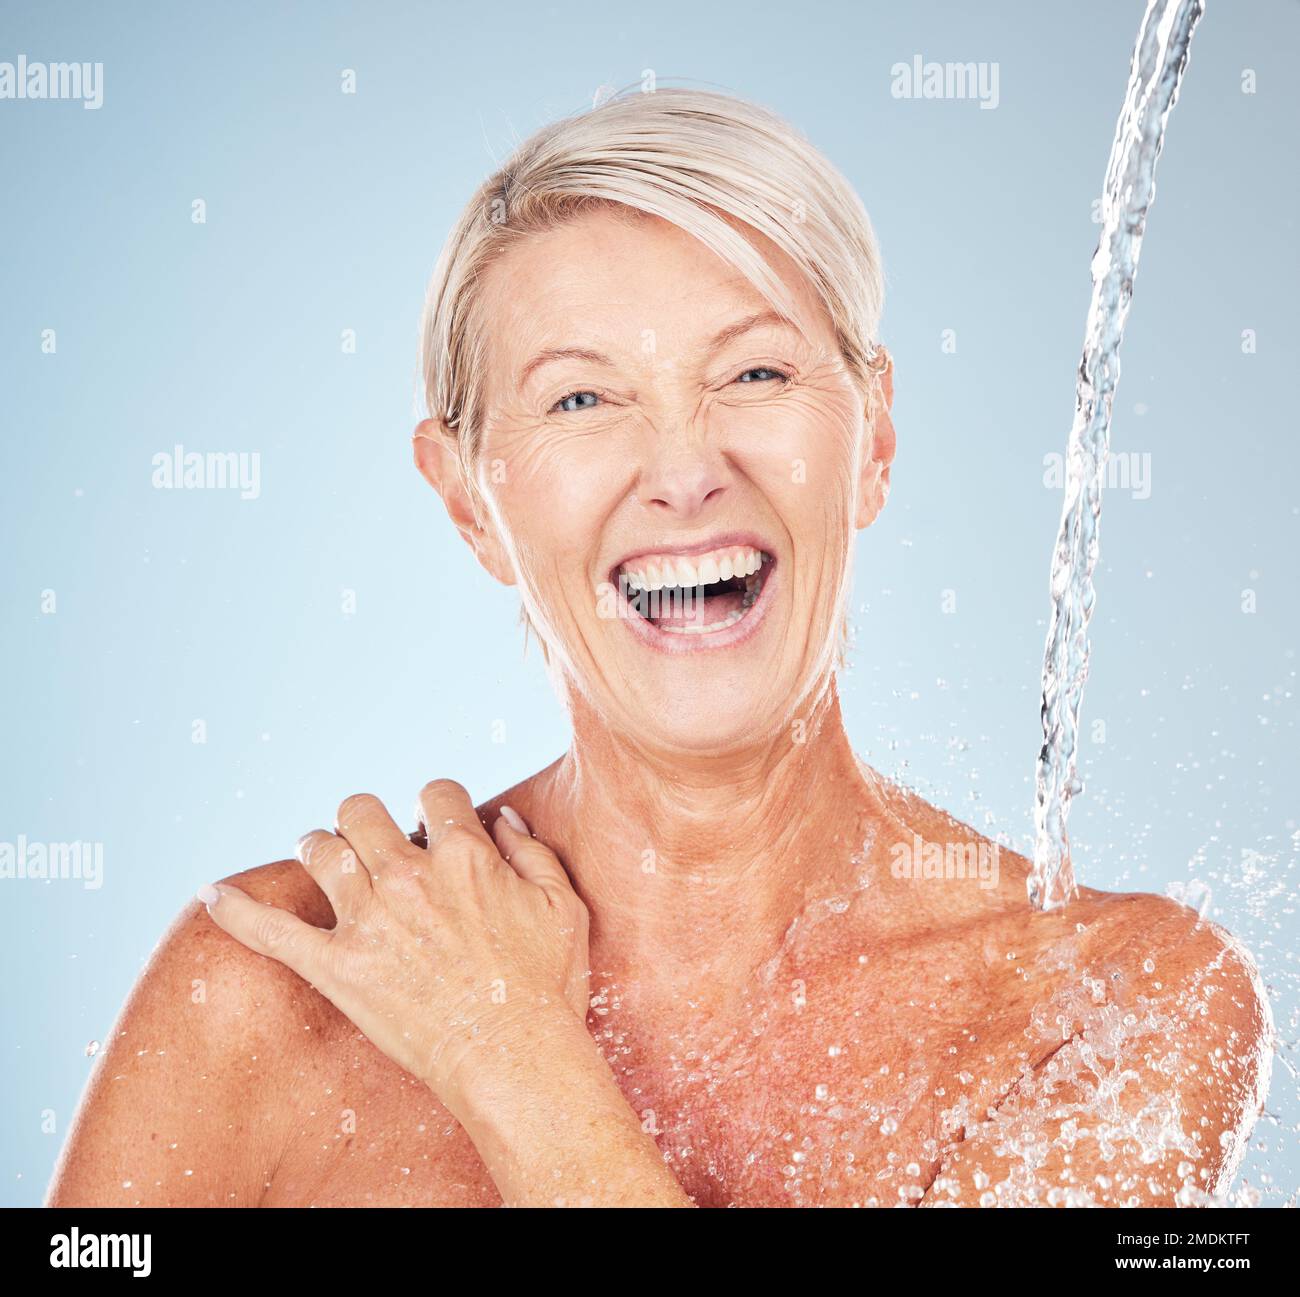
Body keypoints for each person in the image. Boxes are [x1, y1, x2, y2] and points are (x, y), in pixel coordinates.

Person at [48, 88, 1269, 1208]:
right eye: (581, 398)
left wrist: (511, 1060)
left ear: (876, 438)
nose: (686, 472)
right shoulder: (269, 983)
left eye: (754, 371)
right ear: (469, 497)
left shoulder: (1116, 1005)